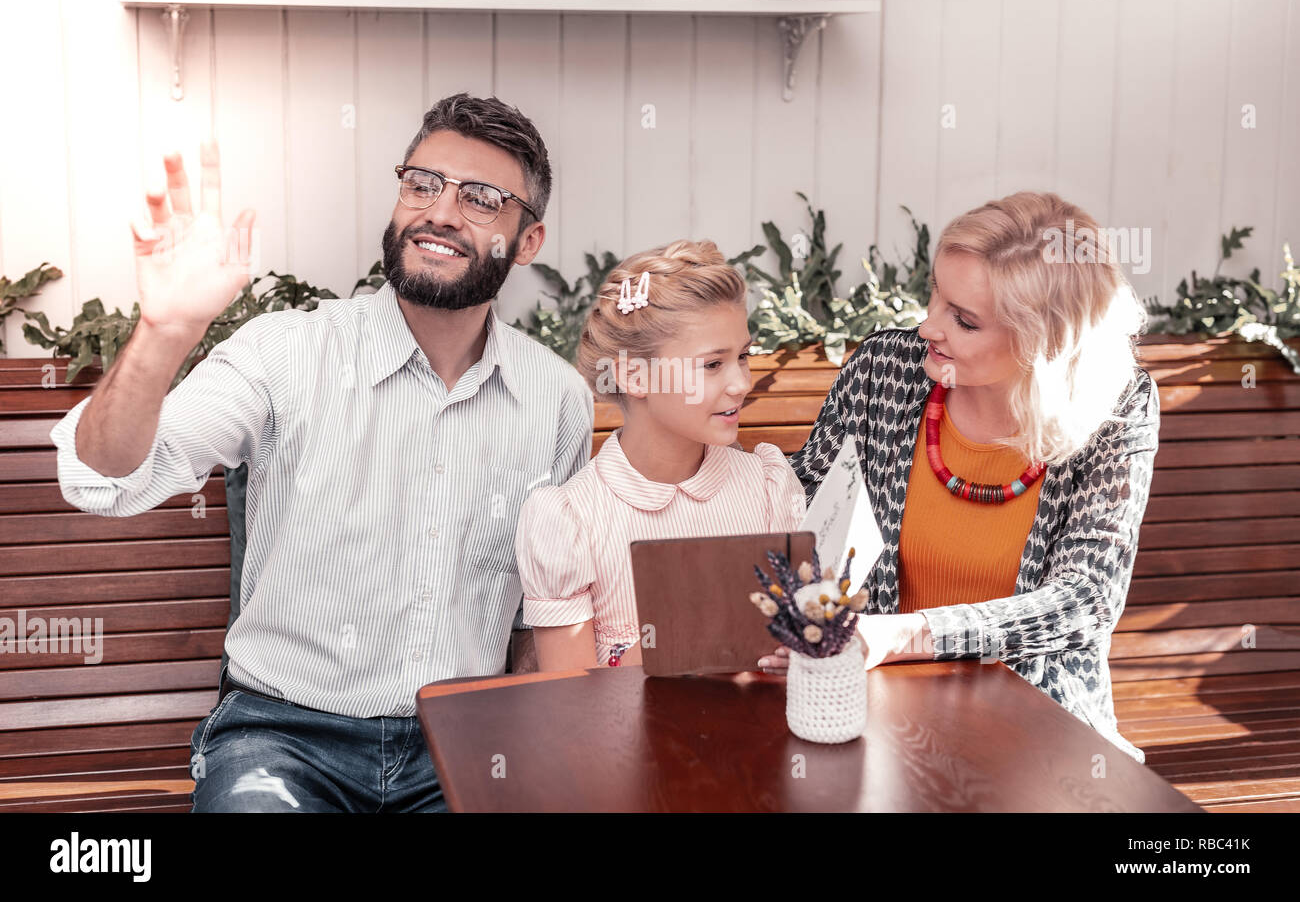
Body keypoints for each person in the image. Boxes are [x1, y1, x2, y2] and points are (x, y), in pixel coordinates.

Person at [49, 93, 594, 810]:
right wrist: (164, 331)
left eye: (483, 199)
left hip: (464, 741)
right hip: (280, 737)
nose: (440, 212)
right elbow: (105, 479)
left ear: (526, 241)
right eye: (422, 184)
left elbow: (541, 617)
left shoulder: (556, 398)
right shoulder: (287, 353)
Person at [768, 191, 1159, 764]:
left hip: (1039, 731)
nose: (928, 326)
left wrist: (901, 635)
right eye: (936, 295)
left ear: (1044, 344)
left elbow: (1086, 601)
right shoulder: (886, 370)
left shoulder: (1117, 407)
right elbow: (802, 509)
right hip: (880, 716)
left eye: (964, 320)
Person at [514, 240, 806, 670]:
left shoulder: (767, 488)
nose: (741, 383)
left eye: (743, 356)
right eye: (711, 365)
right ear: (634, 375)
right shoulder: (570, 520)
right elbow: (569, 704)